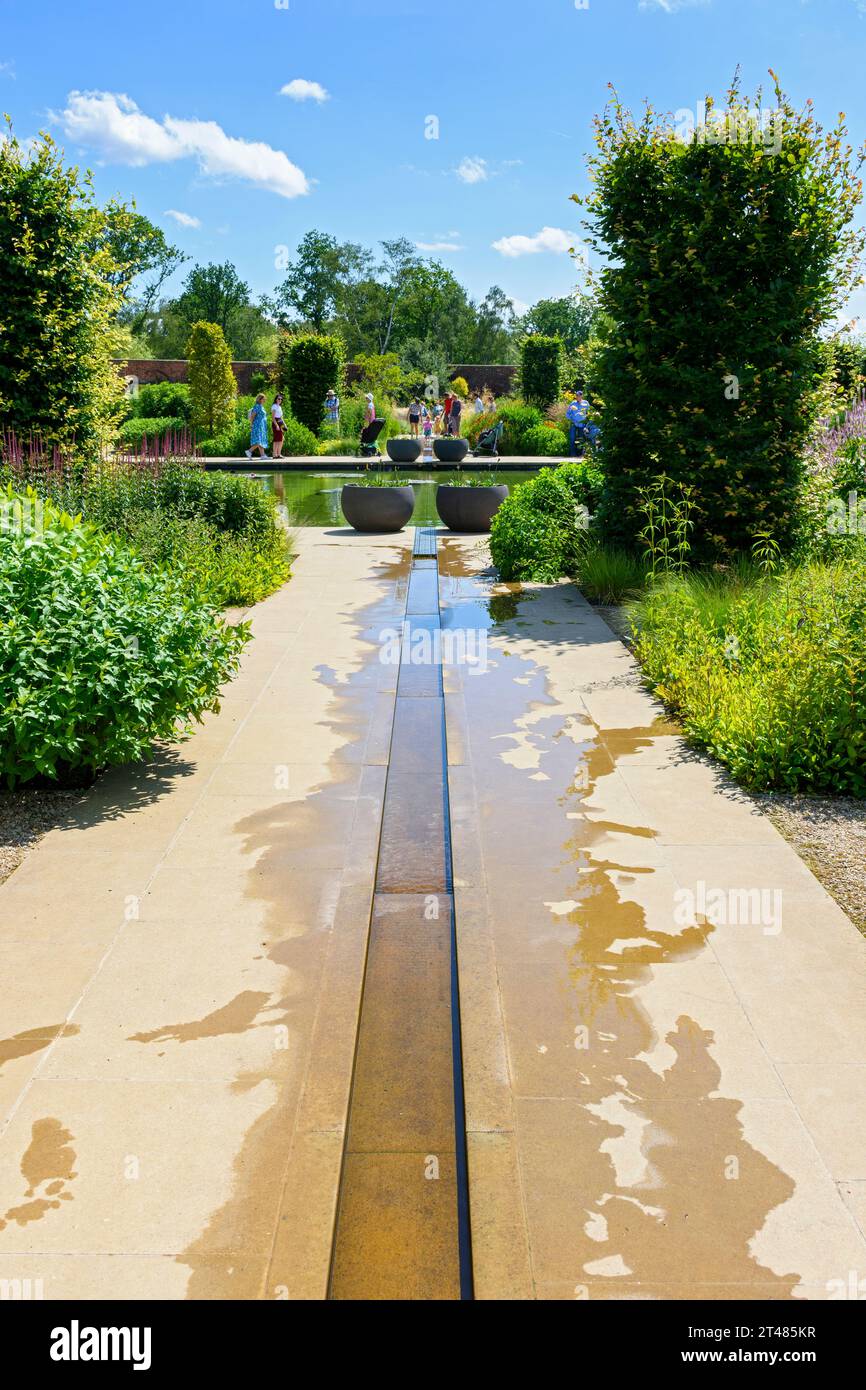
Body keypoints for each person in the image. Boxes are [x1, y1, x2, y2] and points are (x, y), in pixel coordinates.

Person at [566, 389, 589, 457]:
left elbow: (589, 412)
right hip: (574, 424)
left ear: (581, 396)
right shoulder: (573, 403)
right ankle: (572, 454)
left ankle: (580, 454)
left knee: (581, 439)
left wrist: (587, 419)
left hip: (582, 424)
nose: (577, 396)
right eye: (576, 395)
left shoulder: (586, 403)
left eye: (578, 395)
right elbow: (567, 414)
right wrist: (572, 419)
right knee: (572, 438)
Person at [246, 393, 269, 459]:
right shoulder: (257, 406)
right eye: (264, 399)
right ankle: (249, 451)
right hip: (257, 425)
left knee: (261, 440)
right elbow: (252, 416)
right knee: (259, 440)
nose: (265, 400)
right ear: (260, 399)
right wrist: (251, 425)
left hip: (261, 426)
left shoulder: (261, 406)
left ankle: (262, 455)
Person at [270, 393, 285, 460]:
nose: (280, 400)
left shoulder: (279, 407)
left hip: (280, 422)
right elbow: (273, 417)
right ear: (276, 399)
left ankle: (278, 454)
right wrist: (276, 425)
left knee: (281, 439)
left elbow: (281, 417)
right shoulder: (274, 406)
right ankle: (274, 454)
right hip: (275, 422)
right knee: (276, 439)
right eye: (278, 399)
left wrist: (284, 424)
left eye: (281, 399)